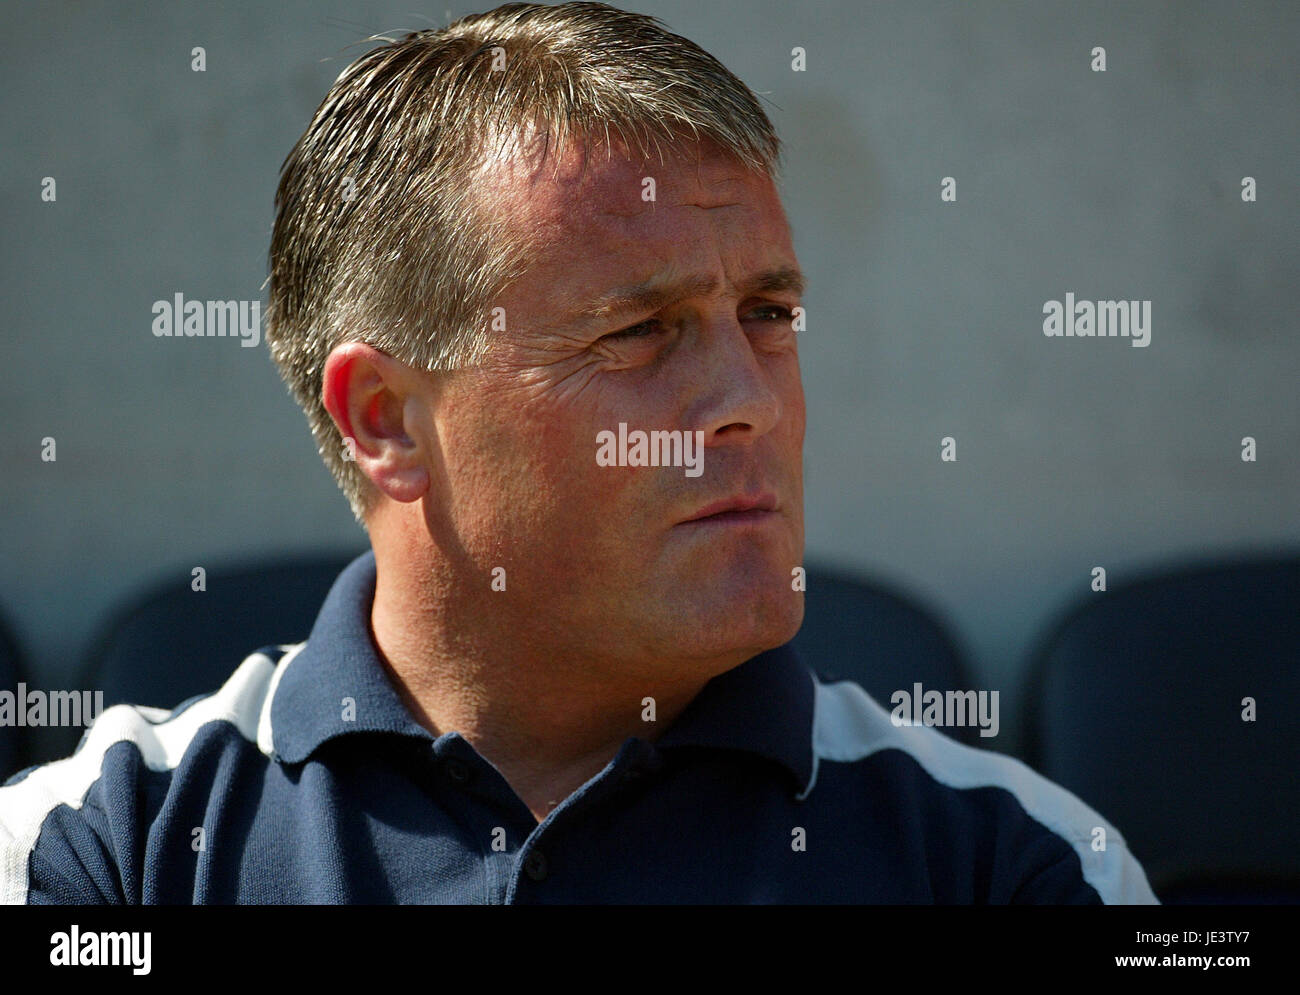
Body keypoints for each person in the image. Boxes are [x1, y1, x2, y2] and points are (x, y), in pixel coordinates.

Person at [0, 2, 1156, 904]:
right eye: (640, 331)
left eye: (767, 313)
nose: (747, 402)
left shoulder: (1023, 867)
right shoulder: (99, 850)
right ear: (386, 418)